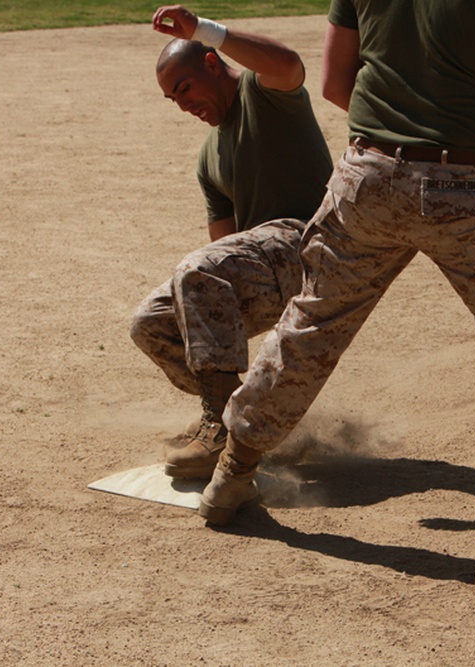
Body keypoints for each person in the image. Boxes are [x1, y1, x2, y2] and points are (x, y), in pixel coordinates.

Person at [201, 0, 475, 597]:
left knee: (311, 323)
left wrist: (400, 133)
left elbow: (335, 83)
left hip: (366, 176)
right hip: (472, 182)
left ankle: (231, 475)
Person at [130, 5, 333, 480]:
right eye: (172, 99)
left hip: (310, 246)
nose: (182, 105)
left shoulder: (264, 94)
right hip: (265, 265)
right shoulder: (209, 160)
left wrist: (205, 30)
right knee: (150, 323)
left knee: (197, 270)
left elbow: (288, 64)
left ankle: (221, 432)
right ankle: (230, 414)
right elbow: (228, 247)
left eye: (184, 88)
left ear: (211, 63)